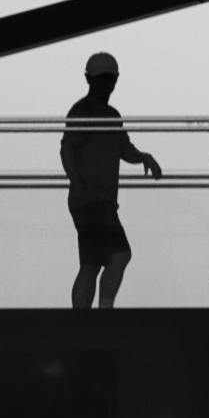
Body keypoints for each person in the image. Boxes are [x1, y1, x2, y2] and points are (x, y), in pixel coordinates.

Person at [61, 48, 163, 310]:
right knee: (119, 254)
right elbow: (67, 149)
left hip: (96, 200)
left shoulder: (111, 116)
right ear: (89, 80)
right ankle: (103, 310)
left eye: (110, 79)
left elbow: (123, 149)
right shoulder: (83, 111)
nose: (107, 84)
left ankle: (83, 317)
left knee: (92, 262)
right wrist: (78, 182)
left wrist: (144, 157)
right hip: (92, 199)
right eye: (102, 79)